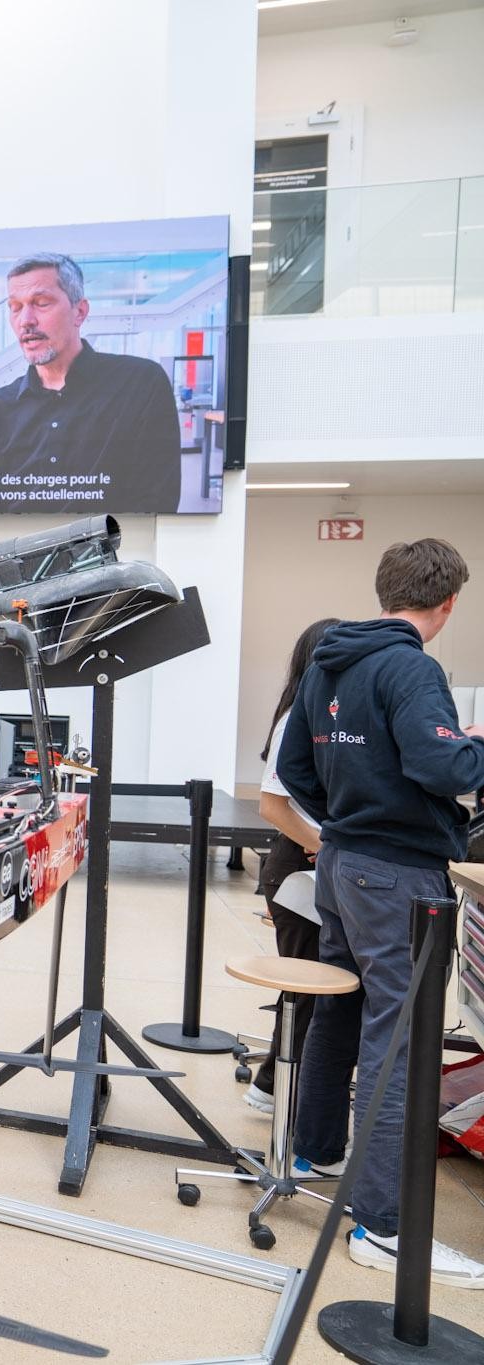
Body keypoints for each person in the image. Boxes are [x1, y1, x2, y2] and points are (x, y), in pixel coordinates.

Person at [277, 538, 484, 1288]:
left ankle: (315, 1151)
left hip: (340, 865)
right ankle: (383, 1225)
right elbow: (442, 765)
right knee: (400, 1041)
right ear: (448, 603)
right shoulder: (412, 668)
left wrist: (350, 813)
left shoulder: (328, 662)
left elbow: (295, 768)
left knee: (342, 1012)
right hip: (396, 872)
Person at [0, 253, 183, 513]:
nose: (25, 320)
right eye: (15, 307)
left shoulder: (141, 384)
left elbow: (156, 503)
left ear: (79, 312)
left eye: (41, 303)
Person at [245, 617, 340, 1115]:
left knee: (315, 989)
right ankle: (272, 1090)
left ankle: (280, 1089)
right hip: (297, 867)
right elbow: (272, 807)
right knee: (306, 990)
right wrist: (325, 844)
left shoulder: (323, 716)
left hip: (316, 862)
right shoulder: (294, 720)